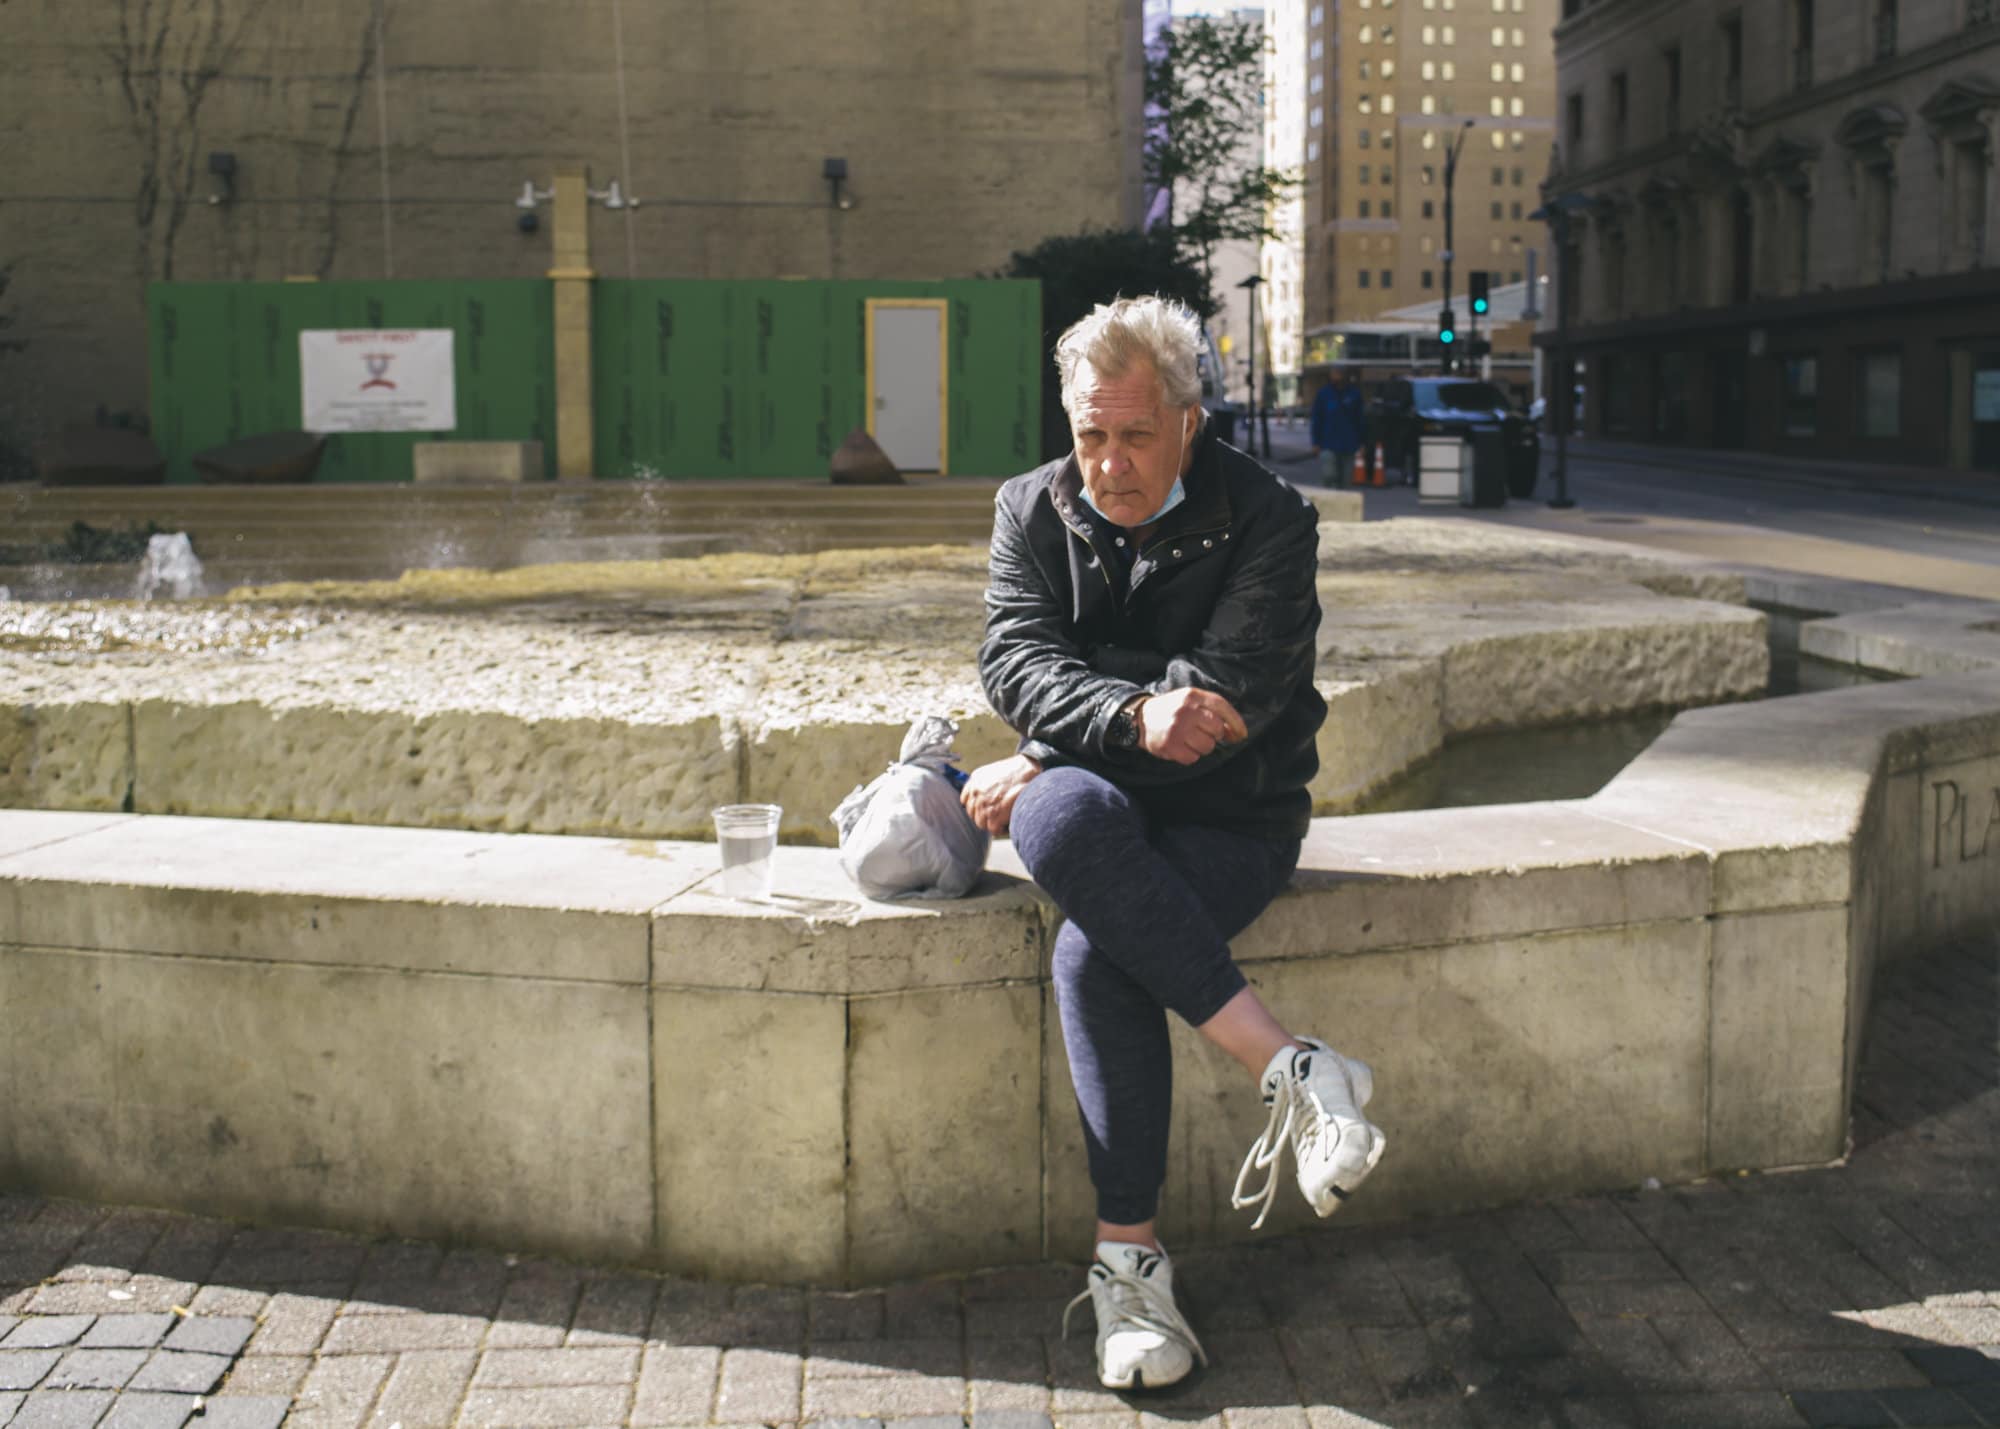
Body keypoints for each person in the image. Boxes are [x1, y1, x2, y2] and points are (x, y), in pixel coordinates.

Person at [960, 297, 1388, 1392]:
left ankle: (1130, 1264)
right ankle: (1291, 1067)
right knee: (1058, 815)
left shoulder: (1271, 519)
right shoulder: (1028, 508)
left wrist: (1056, 744)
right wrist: (1120, 717)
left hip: (1232, 816)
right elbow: (1013, 660)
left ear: (1189, 423)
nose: (1108, 464)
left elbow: (1224, 708)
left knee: (1095, 948)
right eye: (1090, 435)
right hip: (1103, 797)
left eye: (1135, 436)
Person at [1309, 369, 1367, 487]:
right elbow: (1317, 419)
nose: (1338, 377)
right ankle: (1328, 493)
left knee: (1346, 480)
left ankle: (1342, 496)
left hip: (1349, 444)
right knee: (1329, 474)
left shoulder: (1354, 395)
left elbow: (1360, 420)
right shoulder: (1324, 394)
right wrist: (1315, 442)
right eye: (1335, 373)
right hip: (1328, 443)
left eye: (1340, 373)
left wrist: (1362, 442)